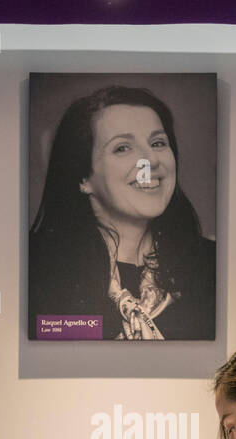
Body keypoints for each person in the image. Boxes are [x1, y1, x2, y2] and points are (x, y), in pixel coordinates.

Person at [29, 85, 216, 340]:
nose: (150, 159)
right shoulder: (38, 268)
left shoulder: (211, 266)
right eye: (123, 148)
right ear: (83, 177)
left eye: (158, 142)